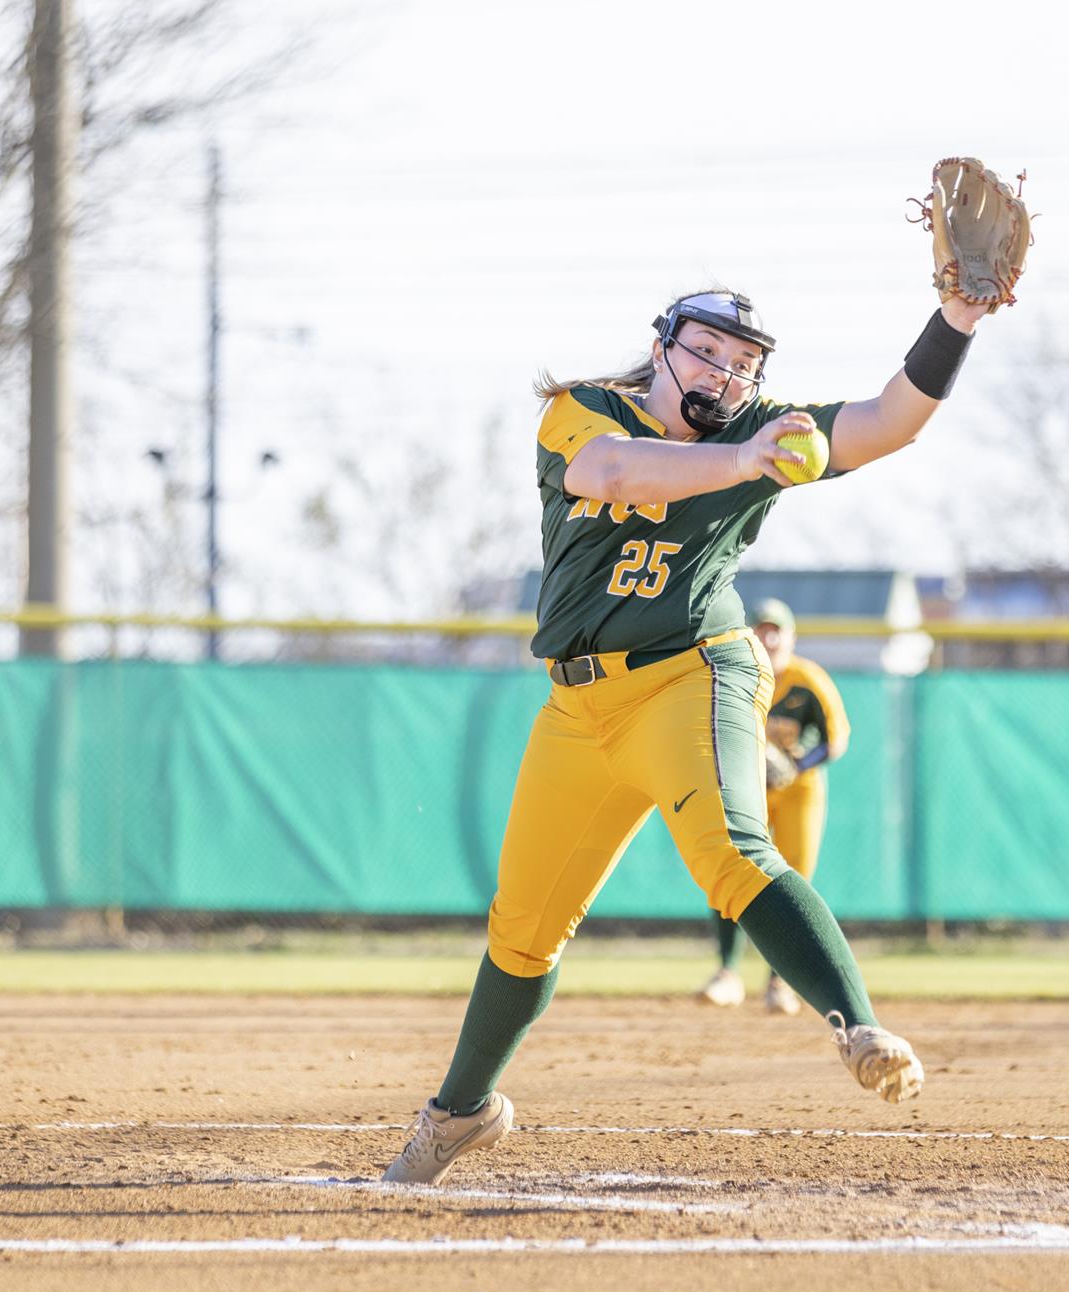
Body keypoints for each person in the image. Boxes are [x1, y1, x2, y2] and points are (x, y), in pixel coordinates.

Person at [382, 283, 1002, 1185]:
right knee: (522, 930)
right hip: (577, 705)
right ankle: (460, 1114)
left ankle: (857, 1023)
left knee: (732, 853)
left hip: (692, 675)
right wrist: (750, 458)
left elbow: (888, 420)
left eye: (744, 362)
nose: (725, 371)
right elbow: (618, 473)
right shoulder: (582, 412)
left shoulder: (761, 430)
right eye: (708, 349)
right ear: (664, 345)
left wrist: (958, 321)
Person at [697, 597, 851, 1017]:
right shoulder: (738, 673)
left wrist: (796, 765)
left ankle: (780, 983)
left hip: (799, 791)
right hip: (747, 789)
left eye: (776, 629)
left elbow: (835, 739)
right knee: (729, 869)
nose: (769, 636)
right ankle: (727, 974)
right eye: (762, 628)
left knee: (792, 882)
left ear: (790, 636)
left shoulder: (807, 678)